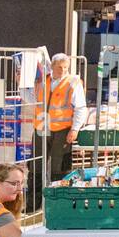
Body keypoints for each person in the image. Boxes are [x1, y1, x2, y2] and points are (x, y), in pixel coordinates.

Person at [37, 53, 86, 182]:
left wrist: (75, 129)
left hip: (62, 130)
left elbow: (80, 108)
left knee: (59, 169)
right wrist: (20, 83)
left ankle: (58, 199)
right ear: (52, 66)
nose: (63, 70)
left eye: (65, 67)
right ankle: (34, 201)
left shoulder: (73, 83)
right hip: (41, 128)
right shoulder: (43, 81)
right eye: (59, 67)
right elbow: (31, 98)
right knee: (36, 167)